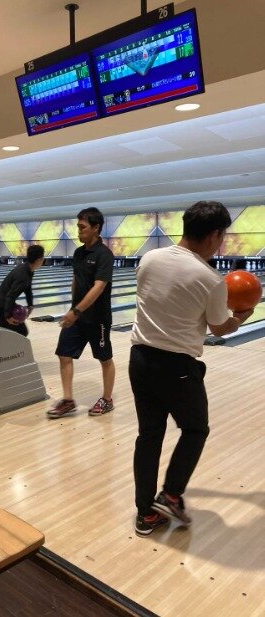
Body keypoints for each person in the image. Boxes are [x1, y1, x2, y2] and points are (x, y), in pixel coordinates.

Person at [130, 201, 254, 537]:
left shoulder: (149, 258)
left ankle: (145, 514)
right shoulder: (210, 279)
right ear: (214, 234)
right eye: (222, 237)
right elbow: (219, 328)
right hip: (177, 367)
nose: (221, 244)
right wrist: (241, 316)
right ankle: (171, 494)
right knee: (196, 429)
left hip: (139, 359)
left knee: (149, 435)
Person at [47, 207, 115, 419]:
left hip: (98, 318)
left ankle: (107, 399)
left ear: (96, 227)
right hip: (77, 316)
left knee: (105, 359)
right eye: (78, 227)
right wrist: (73, 307)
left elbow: (99, 287)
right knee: (64, 354)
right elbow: (76, 281)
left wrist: (76, 310)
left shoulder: (105, 255)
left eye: (82, 227)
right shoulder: (78, 253)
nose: (78, 231)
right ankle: (68, 400)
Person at [0, 244, 45, 337]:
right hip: (0, 305)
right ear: (39, 260)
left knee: (8, 333)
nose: (44, 260)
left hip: (1, 302)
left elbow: (28, 289)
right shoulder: (23, 275)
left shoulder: (27, 269)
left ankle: (7, 346)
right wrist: (8, 316)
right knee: (19, 332)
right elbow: (10, 295)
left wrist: (30, 305)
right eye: (43, 257)